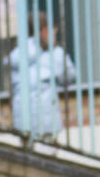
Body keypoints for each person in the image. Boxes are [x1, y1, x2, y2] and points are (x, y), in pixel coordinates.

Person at [8, 11, 76, 139]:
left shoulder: (16, 54)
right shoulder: (54, 53)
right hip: (45, 120)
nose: (55, 33)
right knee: (47, 155)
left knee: (25, 156)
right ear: (44, 31)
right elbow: (69, 76)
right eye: (53, 30)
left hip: (22, 120)